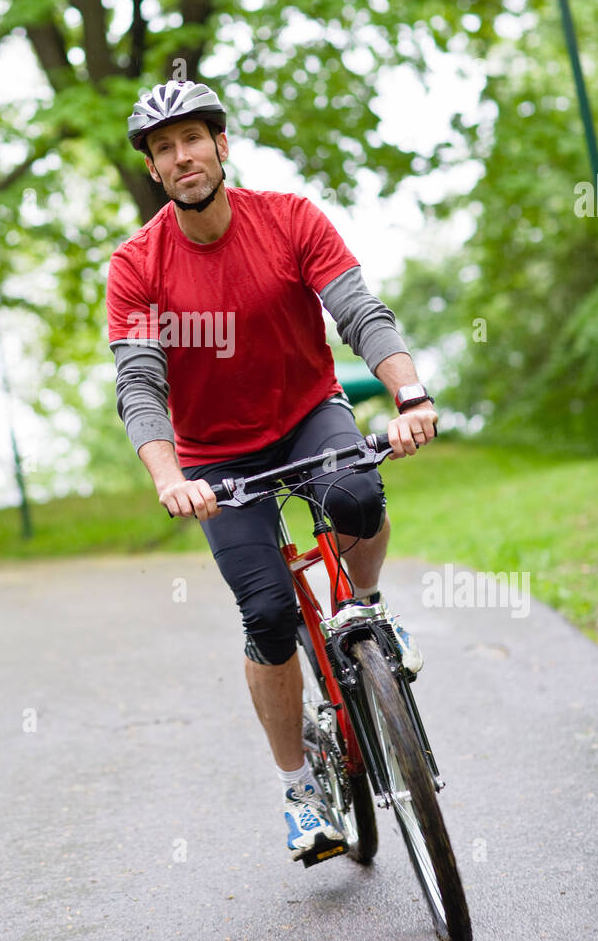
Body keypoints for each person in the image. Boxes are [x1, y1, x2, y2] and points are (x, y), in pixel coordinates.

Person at [105, 79, 438, 861]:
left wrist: (410, 393)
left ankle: (369, 607)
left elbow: (359, 311)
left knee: (357, 496)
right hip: (215, 456)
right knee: (266, 615)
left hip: (306, 414)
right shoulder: (137, 266)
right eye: (163, 148)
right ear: (154, 170)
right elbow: (140, 386)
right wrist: (167, 477)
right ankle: (300, 792)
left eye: (193, 138)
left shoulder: (289, 219)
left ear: (222, 145)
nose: (180, 156)